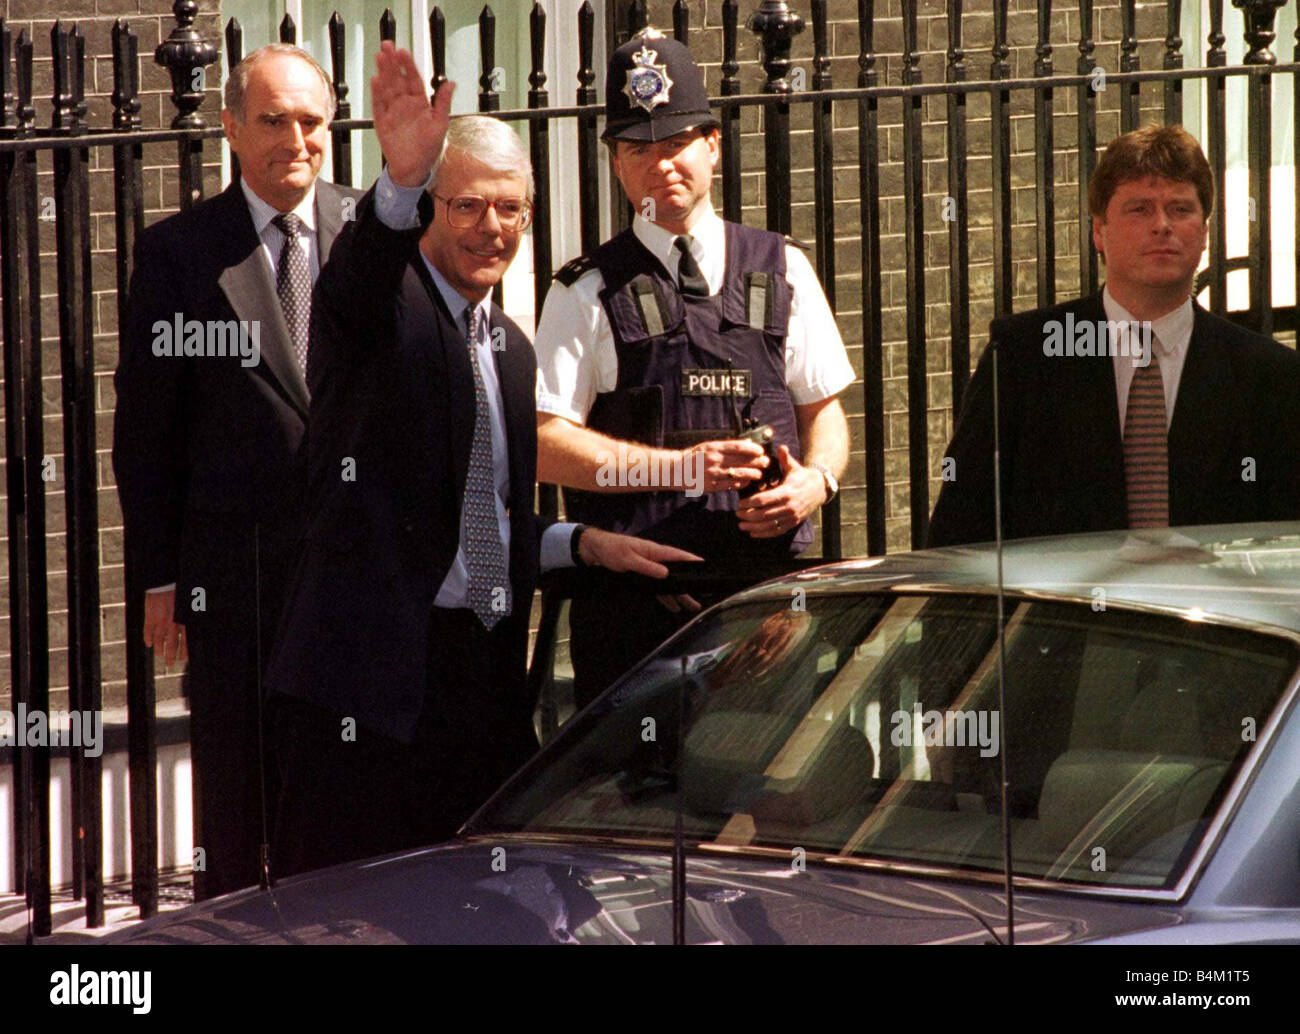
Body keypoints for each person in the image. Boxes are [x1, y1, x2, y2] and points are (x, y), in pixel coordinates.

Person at [262, 42, 696, 878]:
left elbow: (483, 520)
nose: (491, 228)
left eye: (510, 210)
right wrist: (398, 181)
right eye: (465, 207)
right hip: (370, 694)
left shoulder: (511, 351)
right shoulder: (384, 310)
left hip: (480, 683)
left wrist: (581, 544)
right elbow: (352, 287)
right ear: (429, 210)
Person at [532, 29, 853, 708]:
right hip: (638, 621)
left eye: (676, 143)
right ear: (615, 163)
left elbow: (824, 414)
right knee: (631, 802)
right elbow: (544, 445)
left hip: (770, 616)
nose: (661, 166)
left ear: (712, 143)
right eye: (639, 149)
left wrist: (816, 485)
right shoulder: (583, 291)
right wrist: (680, 468)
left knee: (780, 804)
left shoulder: (783, 267)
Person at [112, 45, 362, 900]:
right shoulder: (181, 252)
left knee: (339, 800)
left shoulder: (372, 233)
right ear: (228, 127)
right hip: (235, 580)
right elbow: (147, 428)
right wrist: (158, 576)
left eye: (312, 121)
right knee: (235, 806)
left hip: (350, 574)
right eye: (274, 120)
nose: (297, 138)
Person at [927, 123, 1300, 548]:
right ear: (1099, 231)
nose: (1162, 225)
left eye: (1180, 209)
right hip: (1060, 614)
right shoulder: (1022, 357)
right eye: (1139, 209)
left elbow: (1288, 549)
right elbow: (958, 536)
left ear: (1205, 233)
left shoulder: (1269, 375)